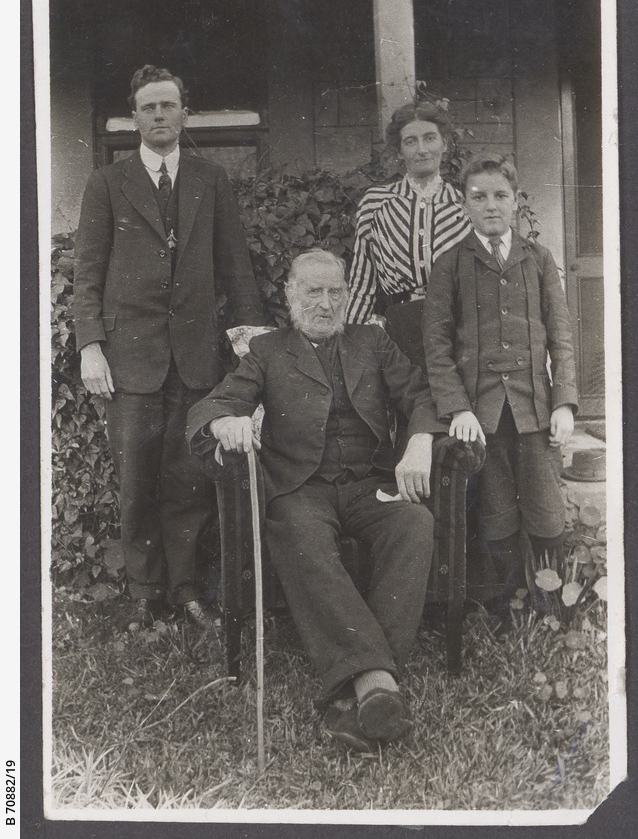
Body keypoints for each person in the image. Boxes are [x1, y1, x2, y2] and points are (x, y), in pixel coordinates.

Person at [187, 250, 443, 753]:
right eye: (313, 291)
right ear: (290, 296)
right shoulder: (265, 351)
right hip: (300, 489)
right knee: (301, 534)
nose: (325, 304)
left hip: (367, 483)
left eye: (336, 292)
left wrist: (420, 441)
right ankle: (376, 685)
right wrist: (226, 423)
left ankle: (358, 694)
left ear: (348, 295)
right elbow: (213, 405)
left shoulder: (372, 341)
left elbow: (420, 395)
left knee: (414, 523)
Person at [74, 65, 264, 631]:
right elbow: (88, 273)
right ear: (134, 117)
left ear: (185, 113)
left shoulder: (211, 179)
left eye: (169, 105)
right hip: (130, 361)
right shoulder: (107, 183)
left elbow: (235, 265)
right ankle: (144, 592)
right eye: (149, 107)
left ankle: (184, 590)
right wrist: (90, 345)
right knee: (136, 480)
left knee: (189, 479)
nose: (159, 115)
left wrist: (254, 344)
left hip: (197, 356)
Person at [422, 154, 578, 613]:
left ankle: (552, 606)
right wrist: (458, 408)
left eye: (500, 196)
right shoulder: (450, 265)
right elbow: (436, 347)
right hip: (482, 413)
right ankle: (509, 607)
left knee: (546, 507)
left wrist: (565, 403)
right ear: (465, 204)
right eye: (479, 197)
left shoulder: (539, 259)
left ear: (514, 201)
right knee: (495, 513)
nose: (491, 206)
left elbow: (561, 336)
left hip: (534, 407)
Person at [345, 99, 471, 371]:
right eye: (411, 141)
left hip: (457, 327)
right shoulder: (376, 202)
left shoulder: (465, 205)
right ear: (399, 151)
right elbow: (361, 281)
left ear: (445, 144)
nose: (422, 149)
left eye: (430, 139)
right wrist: (351, 343)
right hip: (401, 327)